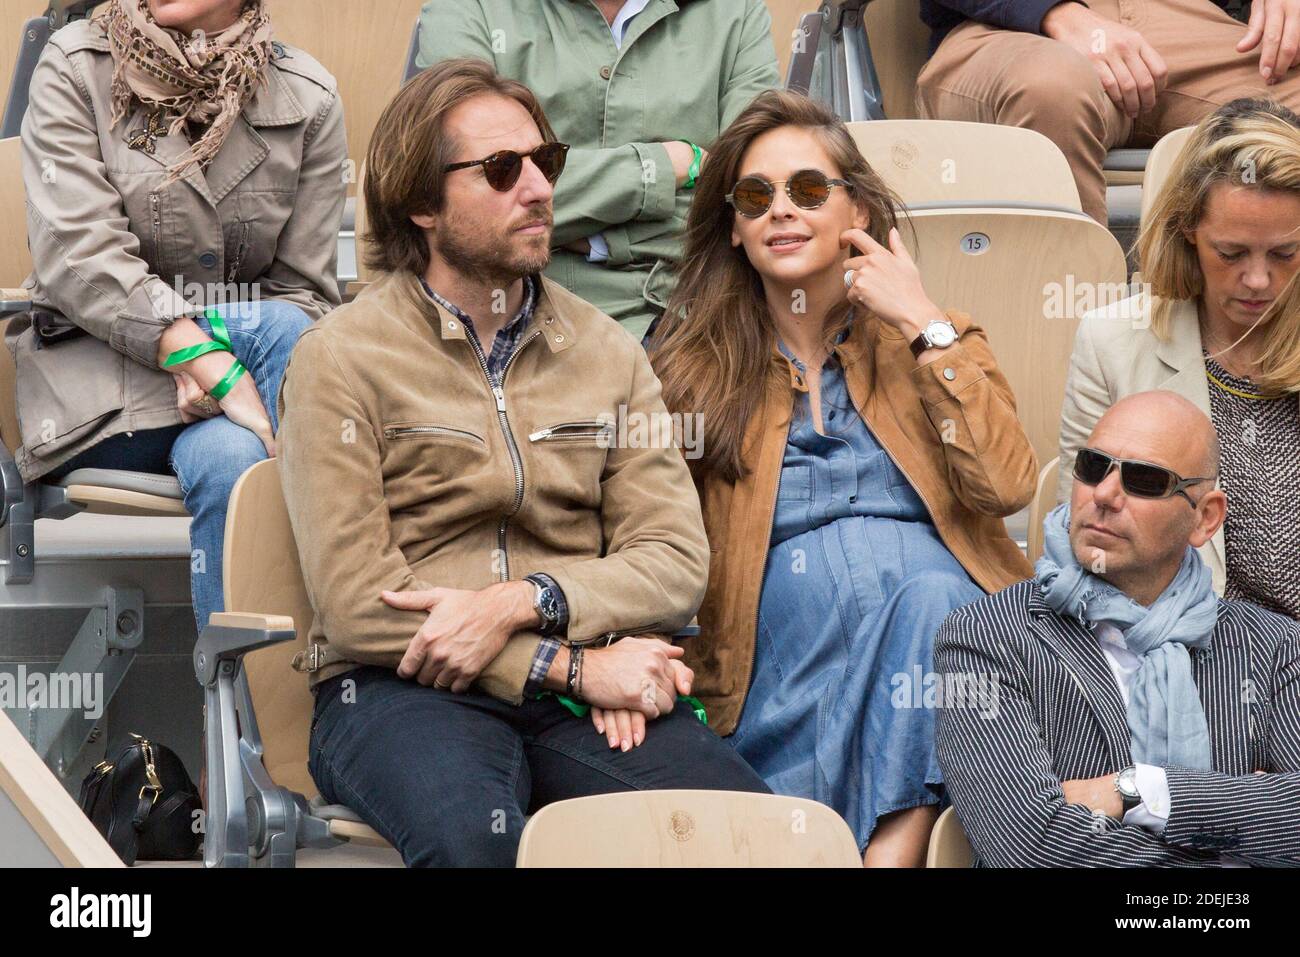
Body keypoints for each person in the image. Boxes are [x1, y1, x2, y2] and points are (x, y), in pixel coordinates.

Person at [275, 57, 769, 868]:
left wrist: (525, 604)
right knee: (474, 843)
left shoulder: (608, 350)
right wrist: (566, 664)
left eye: (548, 162)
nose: (539, 188)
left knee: (744, 833)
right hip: (398, 690)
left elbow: (675, 561)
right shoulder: (339, 357)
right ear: (421, 203)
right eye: (503, 170)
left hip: (579, 688)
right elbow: (361, 602)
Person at [649, 89, 1038, 866]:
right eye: (755, 196)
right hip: (786, 684)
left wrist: (923, 324)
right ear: (733, 224)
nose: (780, 211)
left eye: (808, 189)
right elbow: (650, 544)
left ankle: (890, 849)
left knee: (934, 601)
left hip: (954, 671)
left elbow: (1007, 484)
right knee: (929, 612)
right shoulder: (687, 373)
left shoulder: (933, 338)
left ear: (855, 206)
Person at [5, 0, 346, 632]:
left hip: (242, 395)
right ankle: (358, 626)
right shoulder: (76, 63)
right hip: (101, 382)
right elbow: (80, 254)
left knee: (232, 459)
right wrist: (199, 353)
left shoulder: (308, 94)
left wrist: (223, 374)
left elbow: (306, 291)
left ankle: (241, 705)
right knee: (282, 335)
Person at [937, 391, 1300, 866]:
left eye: (1144, 479)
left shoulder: (1274, 647)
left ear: (1204, 518)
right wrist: (1239, 844)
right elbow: (1028, 847)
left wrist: (1140, 792)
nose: (1104, 495)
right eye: (1092, 466)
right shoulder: (982, 637)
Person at [1059, 98, 1300, 619]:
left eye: (1285, 253)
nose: (1258, 280)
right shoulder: (1113, 342)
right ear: (1187, 231)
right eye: (1231, 253)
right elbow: (1081, 541)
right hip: (1189, 649)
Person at [415, 0, 780, 340]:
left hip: (699, 319)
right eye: (538, 166)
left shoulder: (735, 10)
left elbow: (753, 199)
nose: (538, 187)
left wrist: (577, 232)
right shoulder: (469, 10)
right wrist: (670, 166)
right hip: (522, 322)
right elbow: (469, 199)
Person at [916, 0, 1300, 224]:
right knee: (1051, 89)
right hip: (1007, 27)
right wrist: (1055, 11)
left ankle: (1271, 346)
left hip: (1186, 20)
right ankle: (1072, 337)